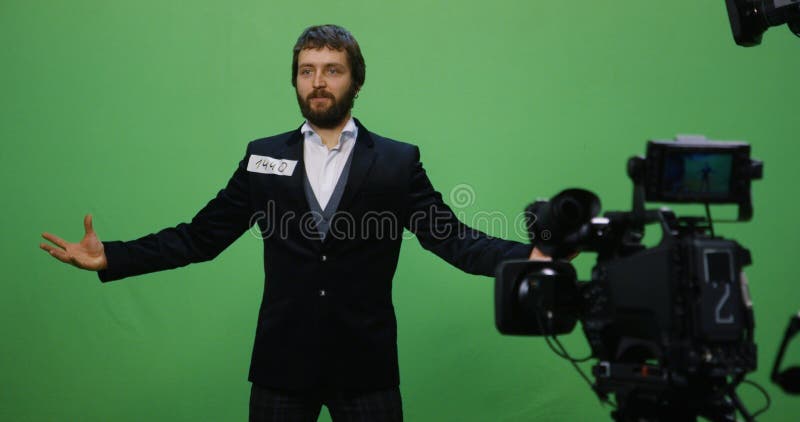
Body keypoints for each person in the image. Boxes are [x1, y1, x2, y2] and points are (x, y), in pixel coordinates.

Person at [40, 24, 548, 422]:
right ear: (296, 80)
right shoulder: (262, 158)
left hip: (365, 367)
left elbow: (451, 238)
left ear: (356, 80)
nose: (318, 81)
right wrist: (113, 256)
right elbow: (200, 237)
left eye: (332, 70)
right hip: (281, 366)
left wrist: (529, 257)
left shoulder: (396, 162)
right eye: (307, 70)